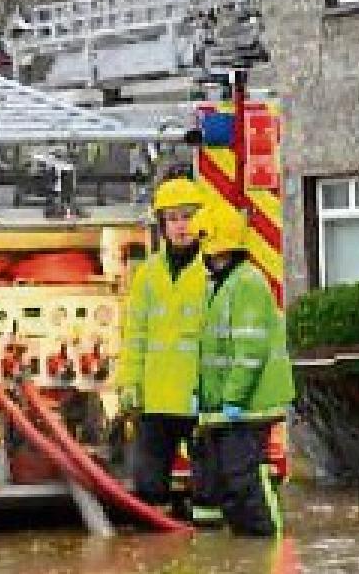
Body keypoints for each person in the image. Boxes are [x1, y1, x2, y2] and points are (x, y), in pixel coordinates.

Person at [188, 202, 295, 535]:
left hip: (246, 408)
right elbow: (212, 351)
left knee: (245, 482)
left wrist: (233, 398)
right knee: (230, 487)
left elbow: (249, 351)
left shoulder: (246, 283)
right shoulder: (220, 285)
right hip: (225, 410)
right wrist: (201, 395)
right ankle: (245, 552)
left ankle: (268, 546)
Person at [118, 177, 207, 515]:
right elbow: (135, 335)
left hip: (200, 399)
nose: (181, 226)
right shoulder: (148, 274)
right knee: (150, 489)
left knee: (208, 492)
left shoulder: (213, 270)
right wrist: (129, 384)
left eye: (187, 216)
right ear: (163, 225)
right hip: (155, 402)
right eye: (173, 218)